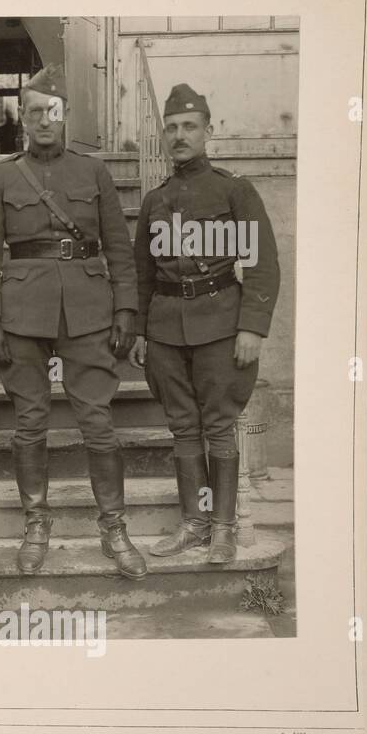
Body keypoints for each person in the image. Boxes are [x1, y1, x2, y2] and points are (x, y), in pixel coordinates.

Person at [0, 64, 147, 579]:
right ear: (20, 118)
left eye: (52, 111)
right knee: (30, 422)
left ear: (64, 116)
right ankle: (36, 525)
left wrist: (125, 311)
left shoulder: (93, 173)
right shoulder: (1, 176)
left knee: (98, 422)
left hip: (90, 309)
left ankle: (114, 528)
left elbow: (119, 246)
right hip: (21, 313)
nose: (43, 120)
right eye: (32, 112)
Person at [130, 83, 281, 564]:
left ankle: (223, 528)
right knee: (182, 428)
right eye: (171, 128)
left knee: (218, 426)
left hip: (221, 323)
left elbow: (263, 264)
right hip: (166, 329)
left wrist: (252, 327)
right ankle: (194, 524)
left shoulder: (234, 189)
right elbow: (143, 273)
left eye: (189, 126)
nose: (179, 135)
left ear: (208, 131)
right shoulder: (156, 200)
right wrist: (139, 332)